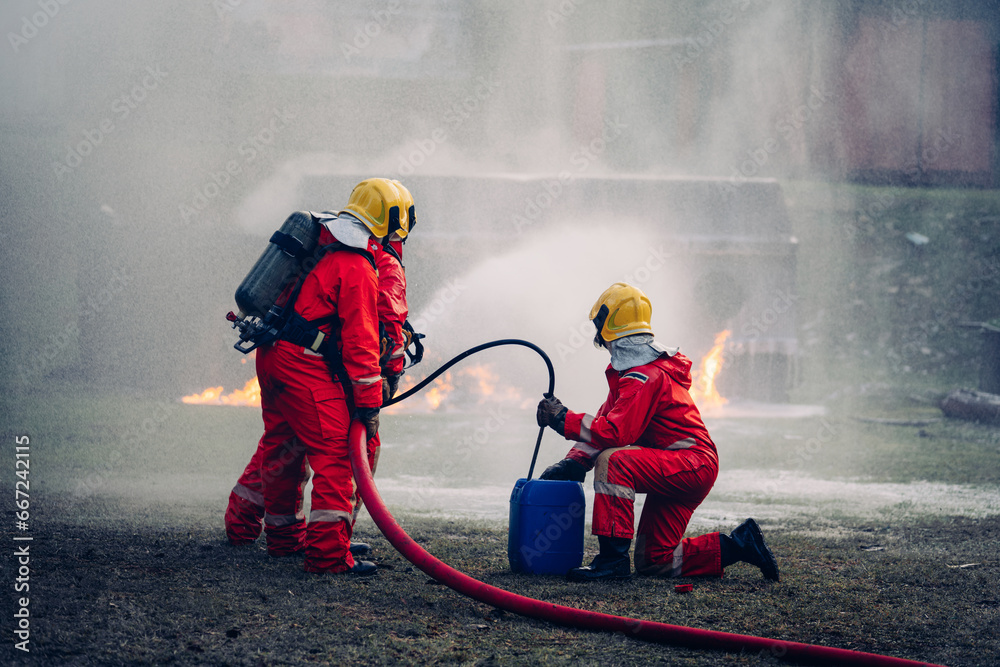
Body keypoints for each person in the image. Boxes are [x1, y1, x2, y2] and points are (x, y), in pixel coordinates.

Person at [535, 282, 779, 582]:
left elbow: (612, 433)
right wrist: (573, 464)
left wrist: (561, 419)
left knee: (614, 461)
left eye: (600, 329)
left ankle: (612, 561)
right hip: (683, 466)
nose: (598, 338)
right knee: (655, 561)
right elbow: (604, 421)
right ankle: (739, 545)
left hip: (689, 464)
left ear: (611, 330)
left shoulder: (643, 376)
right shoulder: (634, 374)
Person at [225, 178, 404, 575]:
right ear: (390, 221)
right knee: (338, 458)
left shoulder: (319, 242)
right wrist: (370, 401)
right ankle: (327, 556)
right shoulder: (357, 265)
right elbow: (360, 341)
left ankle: (284, 540)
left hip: (272, 355)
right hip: (303, 364)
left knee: (282, 449)